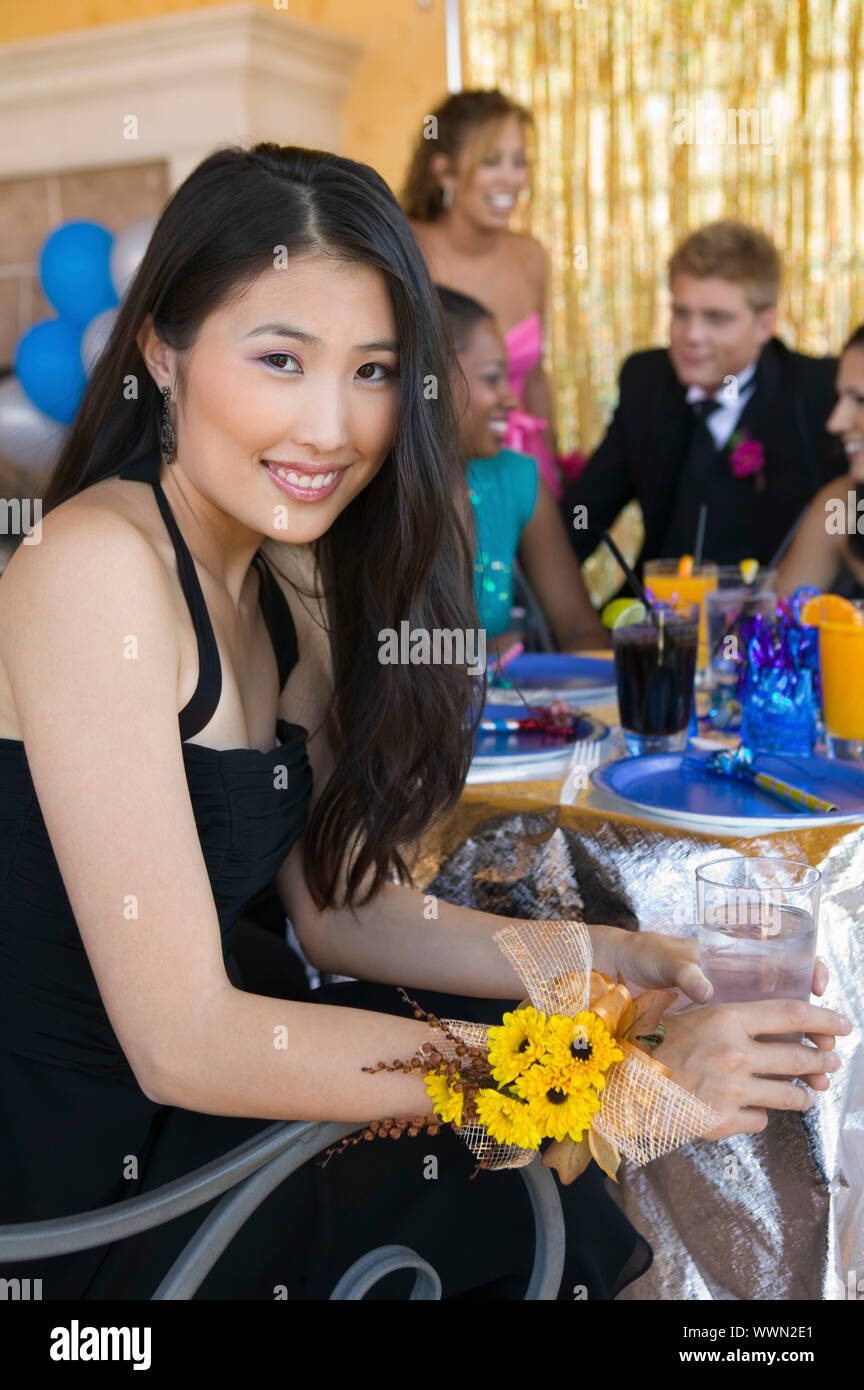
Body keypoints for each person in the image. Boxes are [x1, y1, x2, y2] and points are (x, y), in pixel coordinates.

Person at [0, 144, 848, 1302]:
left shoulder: (280, 574)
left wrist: (620, 963)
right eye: (282, 359)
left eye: (374, 371)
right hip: (97, 1172)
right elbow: (185, 1038)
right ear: (163, 348)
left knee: (504, 1074)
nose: (332, 426)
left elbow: (345, 910)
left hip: (212, 1101)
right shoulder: (97, 566)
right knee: (514, 1171)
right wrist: (599, 1073)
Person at [561, 221, 842, 581]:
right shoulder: (647, 383)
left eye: (716, 318)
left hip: (772, 621)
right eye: (681, 313)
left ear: (764, 325)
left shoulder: (818, 390)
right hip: (661, 615)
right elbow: (586, 511)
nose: (691, 336)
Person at [403, 89, 583, 500]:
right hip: (440, 472)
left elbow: (535, 375)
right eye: (491, 161)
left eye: (519, 162)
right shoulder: (408, 248)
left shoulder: (531, 256)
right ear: (444, 172)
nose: (511, 178)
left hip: (526, 465)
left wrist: (552, 465)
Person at [437, 285, 607, 654]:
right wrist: (472, 658)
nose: (512, 398)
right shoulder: (371, 485)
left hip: (506, 710)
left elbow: (579, 628)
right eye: (493, 377)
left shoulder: (516, 478)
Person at [777, 324, 864, 596]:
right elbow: (777, 621)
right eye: (839, 398)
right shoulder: (843, 505)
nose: (835, 423)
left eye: (860, 399)